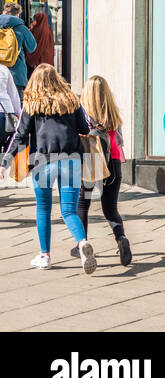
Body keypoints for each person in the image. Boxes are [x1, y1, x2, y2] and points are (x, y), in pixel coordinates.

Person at [0, 64, 97, 273]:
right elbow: (85, 128)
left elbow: (20, 134)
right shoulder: (71, 100)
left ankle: (45, 256)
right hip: (71, 160)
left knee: (43, 208)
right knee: (69, 210)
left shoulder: (32, 103)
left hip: (43, 161)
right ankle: (82, 244)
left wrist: (5, 160)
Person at [75, 75, 132, 267]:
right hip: (113, 162)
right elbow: (120, 142)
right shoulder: (113, 114)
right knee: (110, 208)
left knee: (83, 203)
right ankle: (121, 238)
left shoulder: (83, 113)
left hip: (91, 160)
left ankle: (82, 243)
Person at [0, 3, 37, 97]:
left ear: (4, 12)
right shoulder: (21, 28)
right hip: (16, 73)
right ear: (17, 14)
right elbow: (32, 47)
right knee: (16, 106)